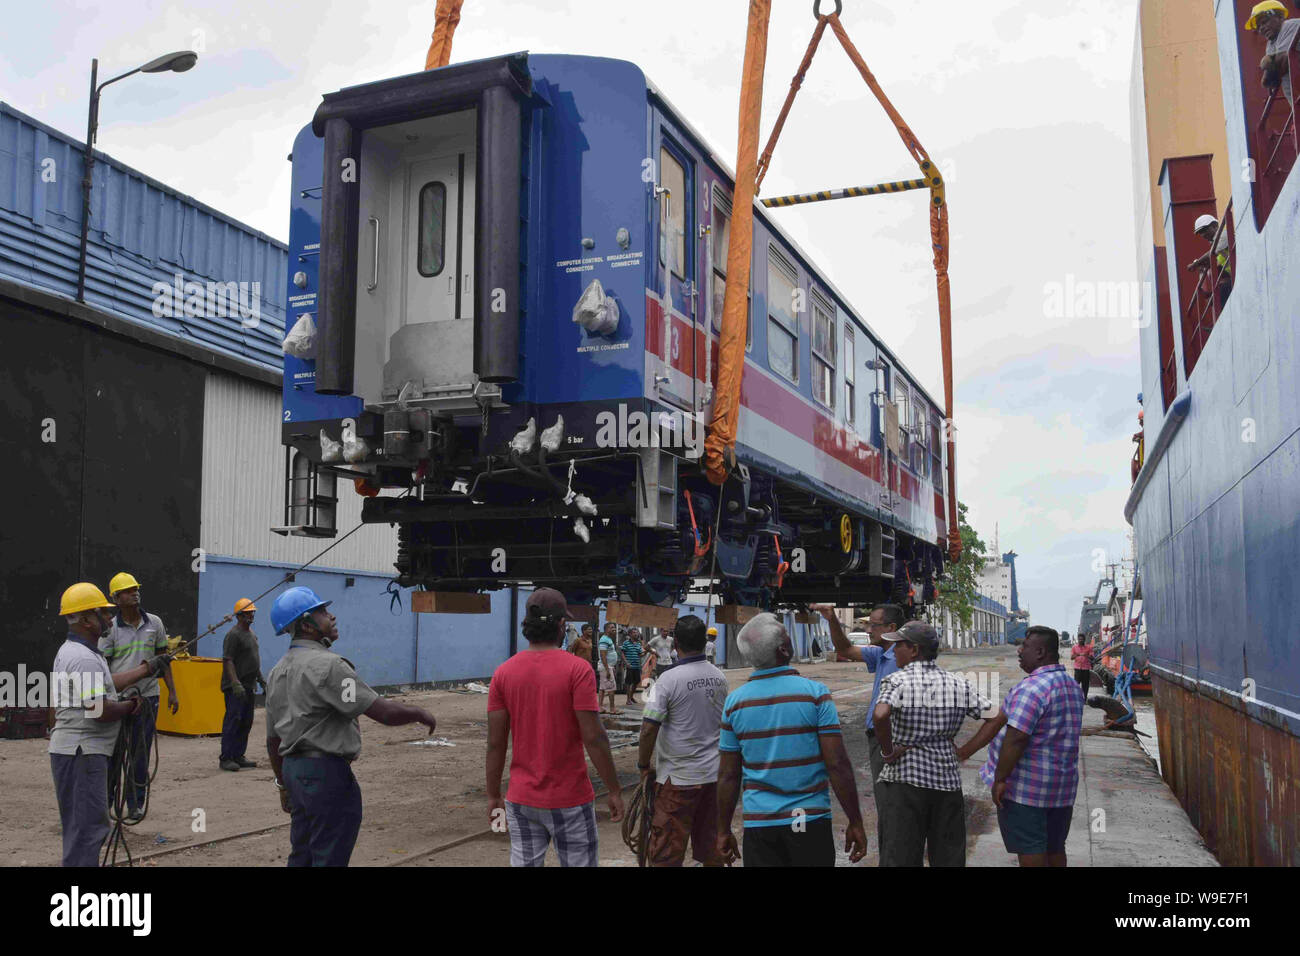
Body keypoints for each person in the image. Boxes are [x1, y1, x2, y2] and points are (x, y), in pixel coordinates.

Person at [265, 586, 437, 867]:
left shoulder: (277, 672)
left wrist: (283, 784)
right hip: (326, 775)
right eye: (322, 612)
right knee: (329, 855)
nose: (331, 616)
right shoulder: (330, 666)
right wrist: (418, 712)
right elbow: (381, 712)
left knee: (303, 854)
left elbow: (273, 740)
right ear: (307, 625)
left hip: (294, 772)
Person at [716, 613, 867, 867]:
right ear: (784, 650)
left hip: (760, 824)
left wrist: (722, 830)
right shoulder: (815, 694)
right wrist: (855, 820)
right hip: (809, 820)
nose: (789, 634)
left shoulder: (735, 703)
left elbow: (728, 775)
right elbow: (837, 764)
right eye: (785, 633)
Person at [487, 588, 624, 866]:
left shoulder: (503, 672)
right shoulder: (578, 669)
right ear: (562, 625)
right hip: (570, 798)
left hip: (521, 800)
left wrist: (493, 795)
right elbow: (594, 737)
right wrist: (614, 789)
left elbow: (495, 743)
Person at [51, 583, 168, 866]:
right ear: (86, 618)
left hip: (80, 751)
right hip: (82, 752)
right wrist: (130, 706)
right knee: (88, 830)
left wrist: (146, 669)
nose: (108, 618)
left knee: (86, 828)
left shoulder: (84, 653)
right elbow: (99, 709)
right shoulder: (82, 658)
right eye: (103, 612)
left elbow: (105, 686)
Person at [873, 621, 997, 867]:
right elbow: (996, 716)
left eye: (898, 645)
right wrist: (964, 752)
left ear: (914, 650)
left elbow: (879, 715)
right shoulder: (958, 683)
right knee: (948, 856)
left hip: (905, 781)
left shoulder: (896, 680)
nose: (893, 650)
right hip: (946, 782)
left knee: (901, 855)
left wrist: (887, 752)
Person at [970, 627, 1085, 867]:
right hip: (1061, 788)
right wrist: (964, 752)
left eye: (1025, 646)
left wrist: (1000, 779)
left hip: (1028, 791)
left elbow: (1016, 738)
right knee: (1054, 847)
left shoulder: (1032, 689)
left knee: (1031, 847)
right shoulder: (1071, 686)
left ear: (1040, 652)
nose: (1019, 651)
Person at [813, 601, 903, 858]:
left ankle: (893, 858)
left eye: (874, 625)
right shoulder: (881, 653)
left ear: (891, 628)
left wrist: (888, 746)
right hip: (881, 740)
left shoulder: (901, 657)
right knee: (887, 805)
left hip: (890, 740)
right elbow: (844, 648)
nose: (869, 630)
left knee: (891, 806)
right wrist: (831, 618)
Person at [637, 614, 728, 866]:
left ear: (676, 643)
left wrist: (643, 766)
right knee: (713, 850)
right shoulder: (720, 678)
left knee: (666, 853)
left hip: (678, 781)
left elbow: (648, 730)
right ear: (704, 642)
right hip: (713, 779)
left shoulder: (667, 680)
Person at [99, 572, 177, 823]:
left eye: (136, 589)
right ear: (117, 598)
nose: (135, 593)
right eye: (129, 590)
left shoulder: (154, 623)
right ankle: (108, 803)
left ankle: (135, 804)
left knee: (140, 755)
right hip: (120, 701)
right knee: (114, 754)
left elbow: (163, 659)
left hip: (148, 698)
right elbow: (103, 667)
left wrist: (172, 692)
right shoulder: (110, 628)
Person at [220, 598, 265, 771]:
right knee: (233, 720)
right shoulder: (233, 635)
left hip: (249, 684)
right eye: (247, 613)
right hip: (235, 687)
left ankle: (238, 755)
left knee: (246, 721)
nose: (251, 616)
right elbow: (228, 660)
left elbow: (254, 661)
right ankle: (226, 758)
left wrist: (261, 680)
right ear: (239, 616)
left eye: (252, 612)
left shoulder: (252, 634)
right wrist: (235, 683)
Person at [1248, 1, 1300, 105]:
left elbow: (1284, 61)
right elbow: (1268, 81)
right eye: (1258, 27)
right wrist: (1270, 64)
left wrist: (1266, 61)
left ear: (1280, 17)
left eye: (1264, 22)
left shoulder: (1290, 26)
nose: (1261, 28)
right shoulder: (1270, 45)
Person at [1186, 214, 1232, 306]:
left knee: (1223, 292)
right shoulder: (1216, 243)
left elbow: (1212, 252)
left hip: (1235, 276)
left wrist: (1195, 264)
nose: (1203, 235)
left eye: (1204, 230)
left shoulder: (1224, 235)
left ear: (1215, 225)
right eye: (1200, 233)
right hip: (1230, 277)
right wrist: (1202, 266)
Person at [597, 623, 621, 715]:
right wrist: (607, 669)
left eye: (614, 627)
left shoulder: (608, 639)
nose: (614, 629)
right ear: (606, 629)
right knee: (611, 688)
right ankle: (612, 708)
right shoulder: (604, 640)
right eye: (612, 628)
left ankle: (600, 707)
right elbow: (603, 655)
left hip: (607, 667)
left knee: (602, 688)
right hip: (605, 667)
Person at [621, 628, 644, 705]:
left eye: (637, 632)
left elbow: (640, 654)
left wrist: (647, 650)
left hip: (637, 666)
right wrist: (626, 662)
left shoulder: (638, 644)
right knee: (628, 683)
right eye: (634, 632)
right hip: (629, 666)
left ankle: (631, 697)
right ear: (630, 634)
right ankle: (628, 699)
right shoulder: (626, 643)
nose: (636, 634)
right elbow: (622, 653)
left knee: (636, 682)